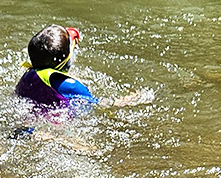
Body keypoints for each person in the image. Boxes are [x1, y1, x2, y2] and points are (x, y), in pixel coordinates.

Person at [15, 24, 155, 112]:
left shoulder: (28, 75)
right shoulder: (71, 86)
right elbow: (99, 105)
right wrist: (132, 100)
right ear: (65, 61)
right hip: (56, 123)